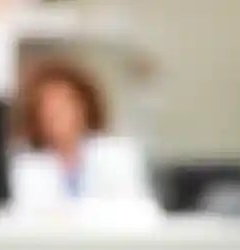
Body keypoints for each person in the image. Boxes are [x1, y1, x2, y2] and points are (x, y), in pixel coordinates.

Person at [12, 60, 151, 207]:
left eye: (65, 104)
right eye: (47, 106)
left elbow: (136, 211)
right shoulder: (26, 166)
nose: (56, 113)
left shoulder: (117, 155)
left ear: (85, 107)